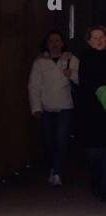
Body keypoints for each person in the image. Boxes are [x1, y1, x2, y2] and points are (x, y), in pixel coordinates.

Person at [29, 31, 78, 187]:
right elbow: (34, 86)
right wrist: (36, 107)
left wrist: (72, 75)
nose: (55, 43)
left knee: (62, 140)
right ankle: (52, 168)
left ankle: (57, 172)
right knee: (50, 141)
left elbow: (82, 79)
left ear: (63, 43)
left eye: (58, 40)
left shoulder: (71, 59)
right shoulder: (40, 62)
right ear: (47, 43)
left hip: (65, 106)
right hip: (47, 107)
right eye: (51, 40)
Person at [77, 26, 106, 199]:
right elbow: (85, 83)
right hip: (92, 111)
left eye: (102, 36)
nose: (99, 40)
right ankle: (97, 183)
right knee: (94, 152)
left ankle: (103, 188)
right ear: (89, 41)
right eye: (95, 38)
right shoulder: (86, 58)